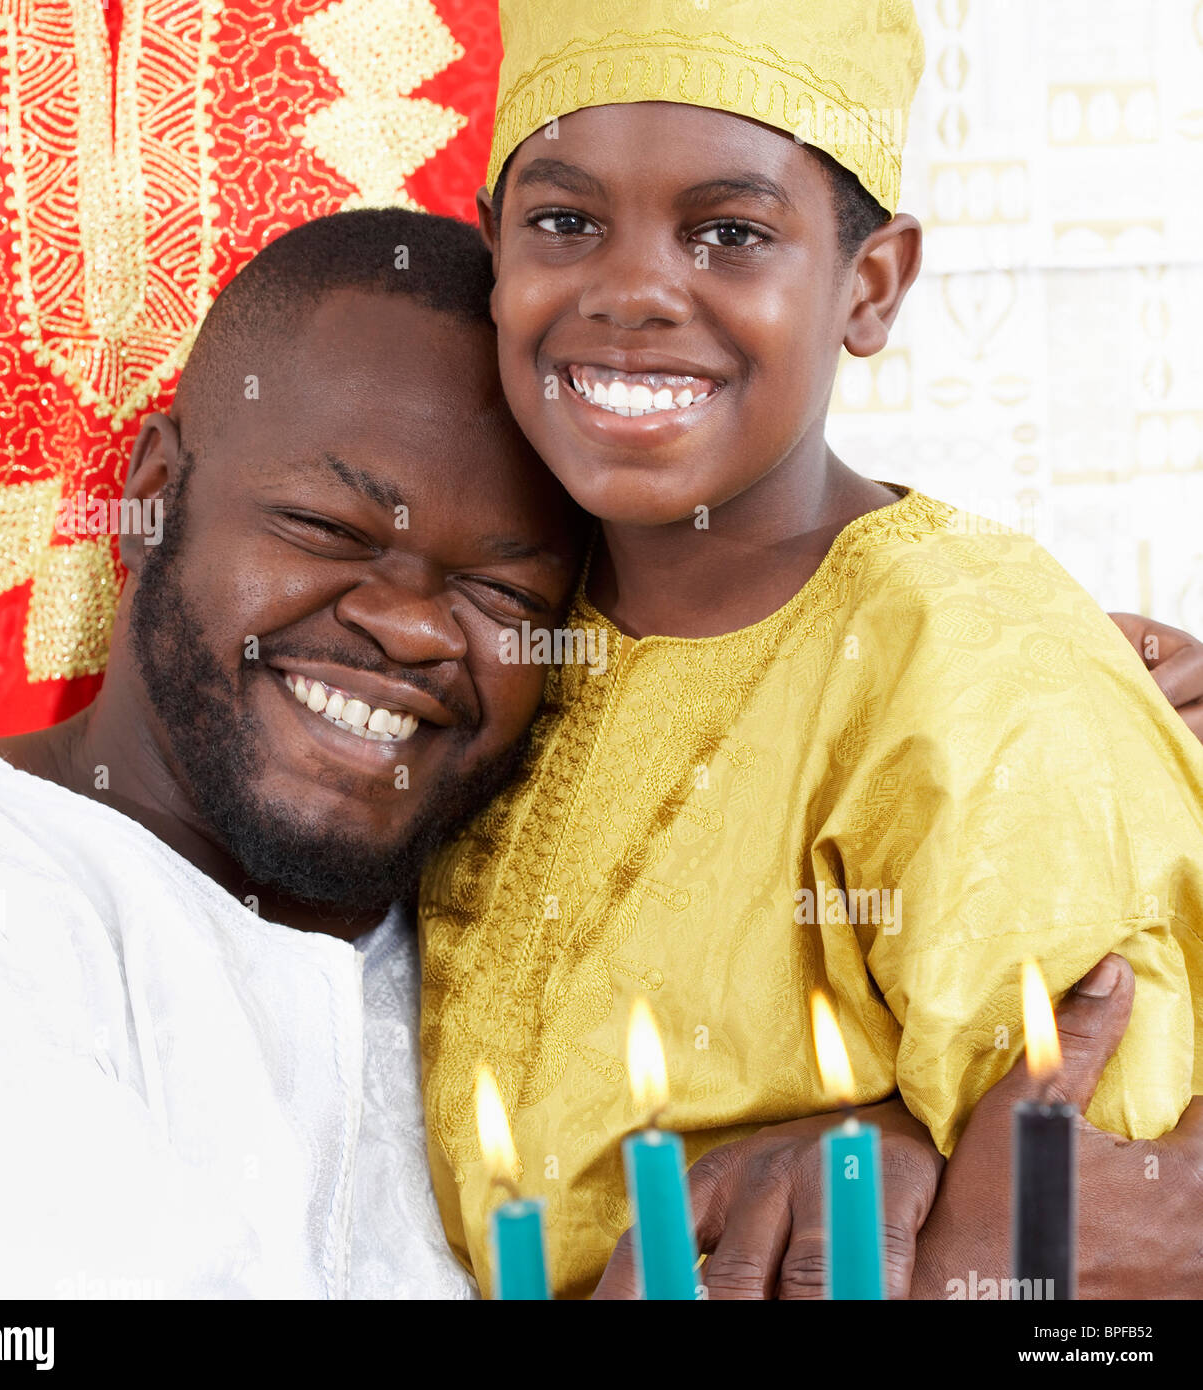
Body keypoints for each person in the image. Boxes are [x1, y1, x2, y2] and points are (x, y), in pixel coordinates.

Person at [416, 0, 1203, 1298]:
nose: (632, 291)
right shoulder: (486, 628)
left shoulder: (966, 673)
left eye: (730, 231)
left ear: (871, 284)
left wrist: (928, 1190)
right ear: (492, 251)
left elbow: (1085, 1235)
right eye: (565, 222)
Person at [0, 209, 585, 1298]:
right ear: (151, 497)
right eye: (329, 530)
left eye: (504, 593)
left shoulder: (528, 960)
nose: (413, 628)